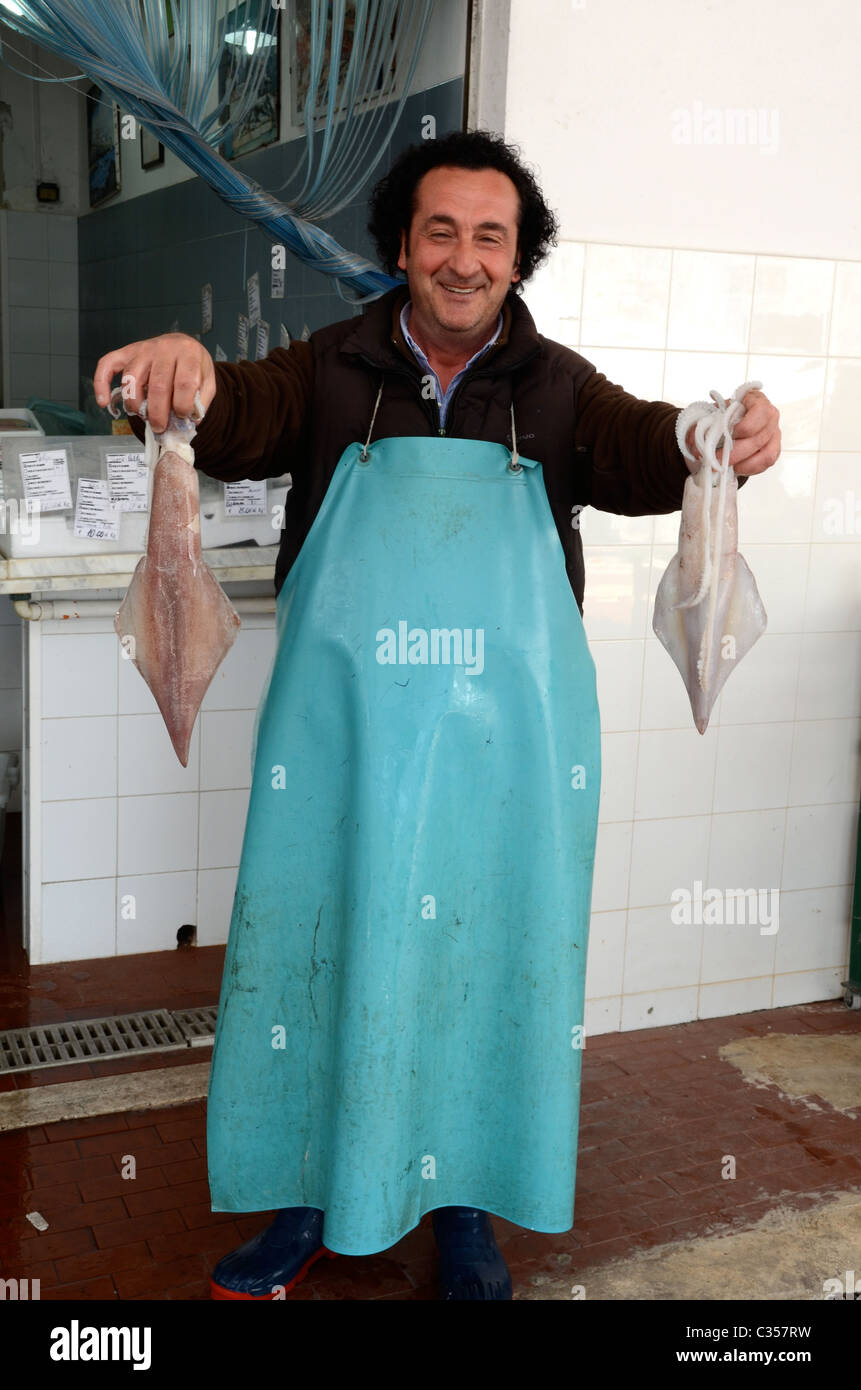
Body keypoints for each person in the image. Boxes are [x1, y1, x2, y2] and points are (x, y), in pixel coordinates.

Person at [94, 130, 781, 1302]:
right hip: (344, 749)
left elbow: (641, 446)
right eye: (441, 232)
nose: (463, 259)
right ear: (402, 247)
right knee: (319, 955)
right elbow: (235, 410)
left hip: (507, 755)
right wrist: (183, 372)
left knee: (485, 958)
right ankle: (307, 1201)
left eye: (491, 237)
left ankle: (465, 1210)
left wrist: (718, 432)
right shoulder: (330, 368)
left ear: (521, 259)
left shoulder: (558, 387)